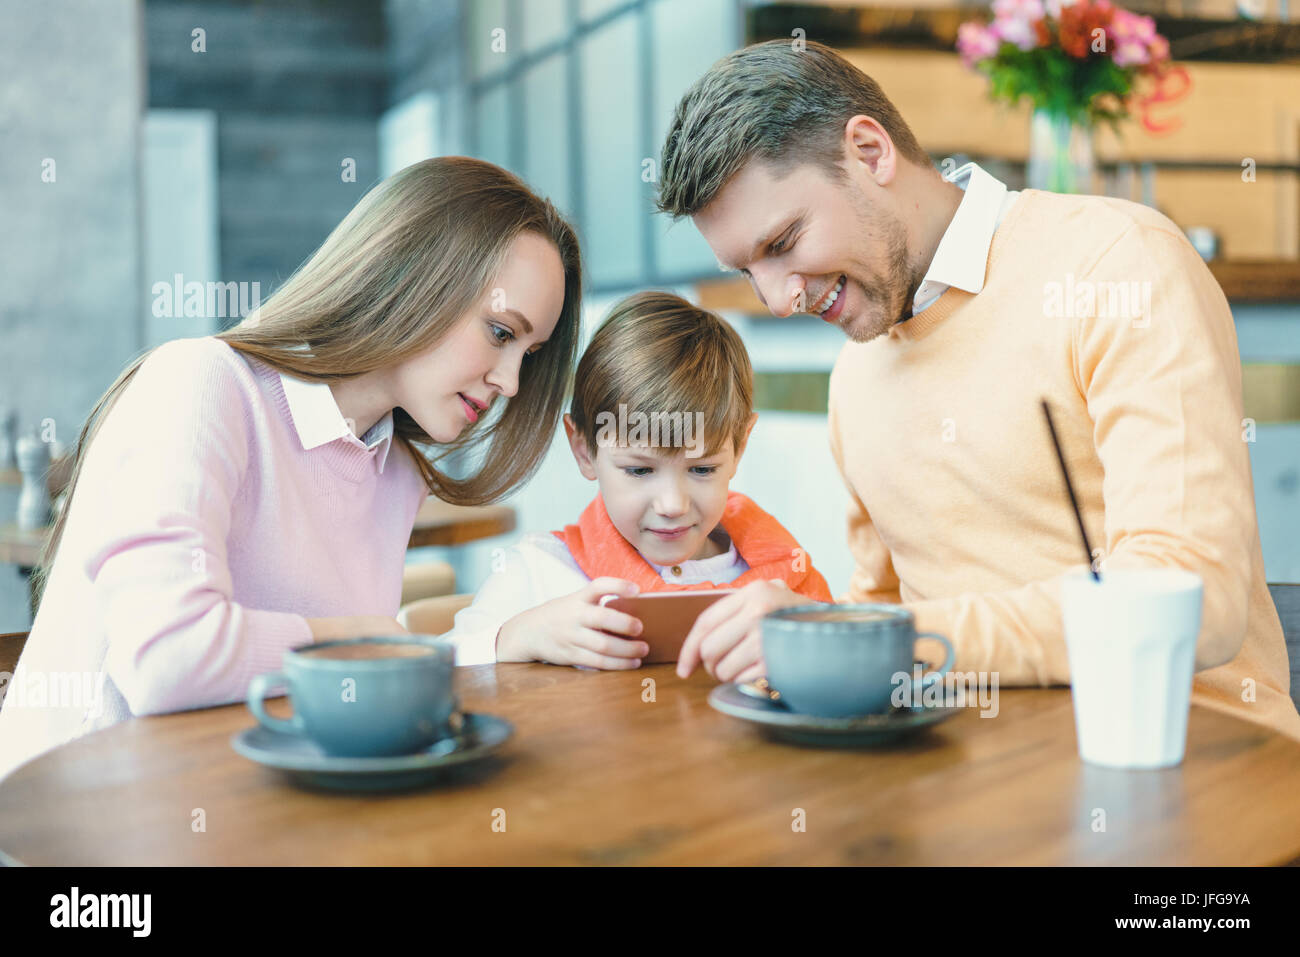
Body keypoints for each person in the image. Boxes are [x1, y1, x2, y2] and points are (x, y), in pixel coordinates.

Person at [656, 39, 1300, 741]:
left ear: (870, 152)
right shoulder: (857, 378)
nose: (779, 299)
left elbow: (1193, 598)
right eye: (748, 270)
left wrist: (888, 637)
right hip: (971, 787)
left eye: (783, 242)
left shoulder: (1116, 266)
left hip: (1197, 765)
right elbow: (884, 621)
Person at [0, 157, 584, 780]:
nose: (513, 382)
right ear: (414, 276)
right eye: (500, 332)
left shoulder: (394, 472)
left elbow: (350, 668)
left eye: (531, 352)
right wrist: (359, 635)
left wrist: (501, 642)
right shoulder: (198, 383)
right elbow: (168, 658)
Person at [443, 291, 832, 672]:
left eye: (701, 470)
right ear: (584, 451)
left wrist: (814, 632)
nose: (672, 504)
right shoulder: (537, 574)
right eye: (640, 471)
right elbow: (439, 668)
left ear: (739, 448)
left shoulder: (782, 580)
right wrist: (514, 637)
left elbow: (861, 668)